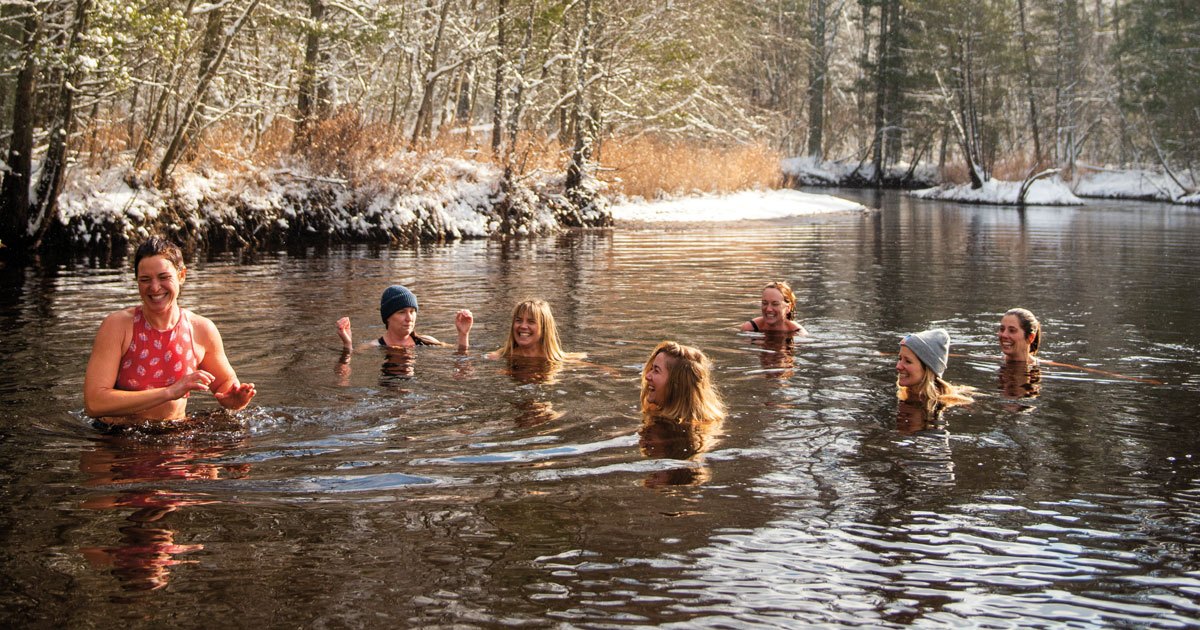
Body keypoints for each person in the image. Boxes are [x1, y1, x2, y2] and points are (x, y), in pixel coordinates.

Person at [83, 237, 256, 425]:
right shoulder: (118, 327)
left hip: (175, 436)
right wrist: (169, 392)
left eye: (164, 277)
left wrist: (235, 402)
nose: (155, 287)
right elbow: (94, 403)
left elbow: (225, 385)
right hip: (116, 440)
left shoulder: (201, 330)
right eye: (145, 280)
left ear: (182, 275)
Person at [337, 285, 473, 352]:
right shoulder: (372, 347)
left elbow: (460, 355)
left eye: (412, 311)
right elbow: (344, 376)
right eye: (402, 312)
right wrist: (347, 345)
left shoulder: (426, 342)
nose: (409, 318)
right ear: (388, 317)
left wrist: (463, 334)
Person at [895, 329, 973, 415]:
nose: (898, 366)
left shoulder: (946, 404)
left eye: (908, 361)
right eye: (900, 359)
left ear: (928, 368)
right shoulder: (902, 394)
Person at [740, 281, 807, 334]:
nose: (768, 309)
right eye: (764, 303)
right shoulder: (750, 328)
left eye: (775, 304)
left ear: (788, 308)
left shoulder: (798, 333)